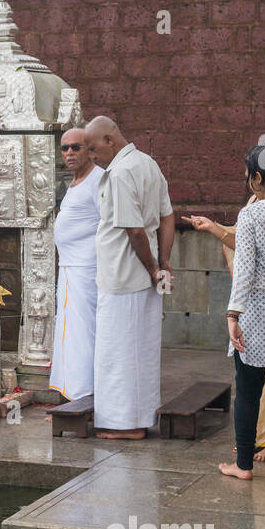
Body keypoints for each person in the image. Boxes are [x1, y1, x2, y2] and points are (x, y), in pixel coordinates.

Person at [85, 116, 175, 440]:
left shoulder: (121, 173)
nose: (92, 157)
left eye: (94, 149)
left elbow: (135, 231)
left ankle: (127, 425)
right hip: (142, 275)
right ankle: (137, 419)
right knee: (142, 350)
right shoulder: (147, 163)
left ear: (110, 140)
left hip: (124, 276)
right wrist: (163, 264)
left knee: (118, 352)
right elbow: (167, 216)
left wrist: (153, 268)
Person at [218, 142, 265, 490]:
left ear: (257, 178)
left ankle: (243, 464)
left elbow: (244, 270)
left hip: (258, 316)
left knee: (247, 390)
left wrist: (233, 314)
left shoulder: (251, 215)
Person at [183, 206, 265, 462]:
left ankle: (255, 453)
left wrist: (233, 314)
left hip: (261, 309)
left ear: (258, 178)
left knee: (258, 387)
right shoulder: (258, 204)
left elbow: (246, 264)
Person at [50, 127, 104, 400]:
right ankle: (72, 394)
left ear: (90, 150)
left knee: (83, 334)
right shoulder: (75, 182)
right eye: (65, 148)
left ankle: (84, 396)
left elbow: (110, 224)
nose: (69, 153)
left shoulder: (99, 180)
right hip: (70, 268)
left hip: (87, 269)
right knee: (69, 332)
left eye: (76, 147)